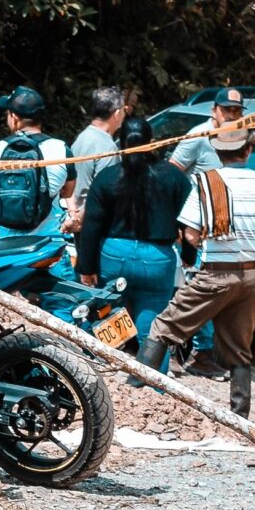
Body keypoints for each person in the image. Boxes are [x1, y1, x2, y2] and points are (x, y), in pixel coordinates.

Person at [145, 119, 255, 415]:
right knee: (239, 350)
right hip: (251, 276)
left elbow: (191, 234)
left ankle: (136, 394)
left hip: (215, 273)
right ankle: (240, 416)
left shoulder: (206, 183)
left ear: (218, 153)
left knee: (163, 327)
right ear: (248, 151)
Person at [74, 114, 190, 368]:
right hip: (157, 260)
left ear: (121, 142)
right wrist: (189, 257)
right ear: (152, 142)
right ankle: (153, 383)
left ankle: (96, 373)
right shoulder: (175, 177)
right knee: (153, 329)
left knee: (107, 316)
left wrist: (86, 266)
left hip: (113, 256)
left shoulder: (106, 177)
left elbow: (92, 224)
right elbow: (190, 222)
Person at [0, 86, 71, 238]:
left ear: (14, 117)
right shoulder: (61, 150)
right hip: (49, 240)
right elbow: (68, 192)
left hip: (5, 241)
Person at [64, 86, 131, 229]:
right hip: (91, 223)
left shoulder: (82, 138)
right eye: (124, 110)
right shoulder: (107, 148)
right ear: (117, 113)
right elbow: (103, 193)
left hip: (75, 216)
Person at [167, 87, 246, 173]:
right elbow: (171, 174)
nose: (231, 116)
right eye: (226, 109)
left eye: (237, 110)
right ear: (214, 111)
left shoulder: (243, 136)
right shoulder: (198, 136)